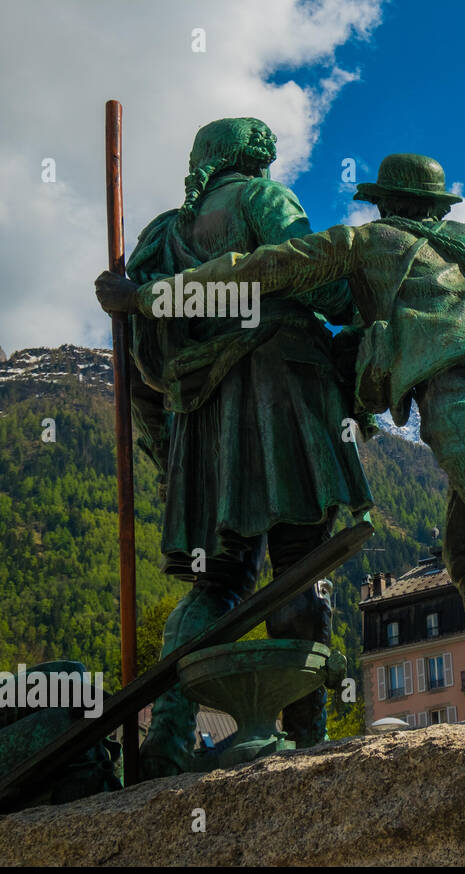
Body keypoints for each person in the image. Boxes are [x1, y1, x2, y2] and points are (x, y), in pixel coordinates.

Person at [97, 153, 465, 717]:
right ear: (439, 206)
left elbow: (257, 270)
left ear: (384, 202)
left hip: (458, 375)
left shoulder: (365, 242)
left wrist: (148, 298)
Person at [110, 118, 372, 776]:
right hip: (281, 384)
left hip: (204, 409)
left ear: (203, 161)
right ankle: (306, 732)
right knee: (297, 561)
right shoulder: (263, 200)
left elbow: (143, 347)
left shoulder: (161, 238)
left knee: (217, 580)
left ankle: (167, 732)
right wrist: (364, 296)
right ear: (249, 161)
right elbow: (314, 280)